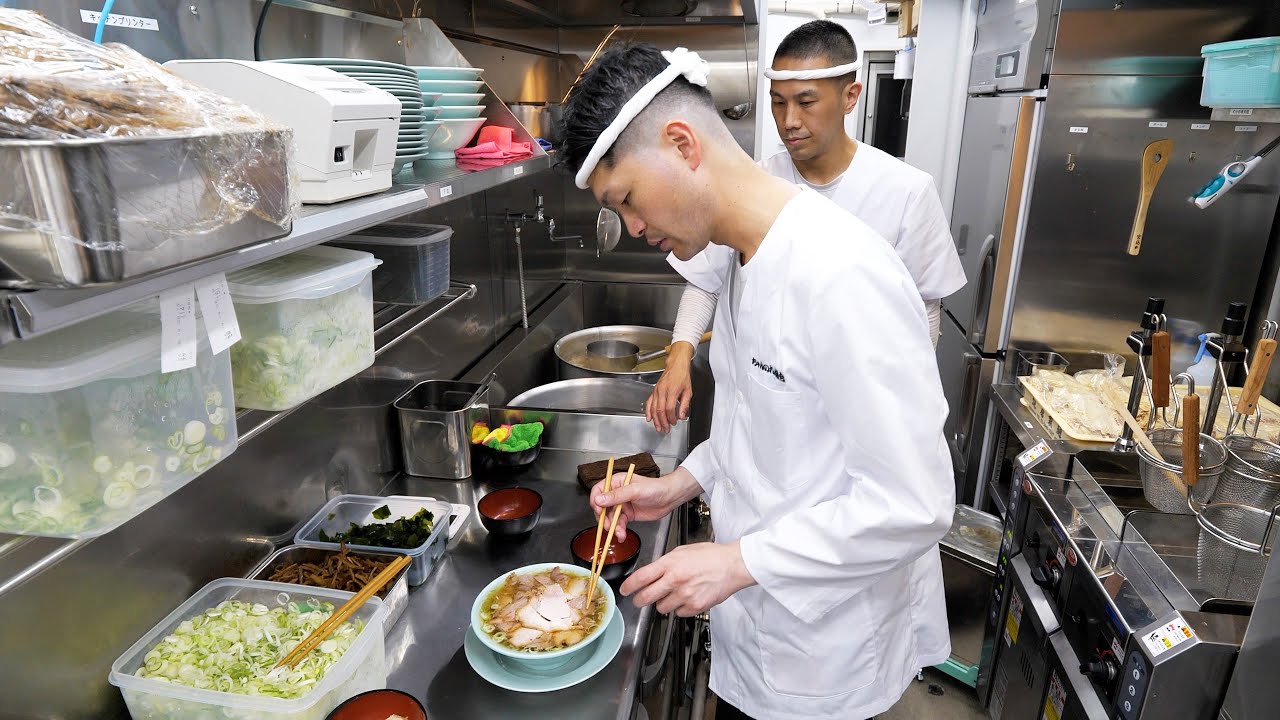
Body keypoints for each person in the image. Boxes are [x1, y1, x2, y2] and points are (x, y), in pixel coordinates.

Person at [559, 43, 953, 720]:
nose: (631, 226)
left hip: (824, 655)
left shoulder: (841, 273)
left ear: (681, 144)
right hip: (758, 631)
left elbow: (914, 502)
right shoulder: (743, 254)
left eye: (626, 198)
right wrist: (682, 482)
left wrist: (737, 562)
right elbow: (765, 425)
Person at [646, 20, 965, 433]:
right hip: (761, 411)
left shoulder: (905, 192)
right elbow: (705, 281)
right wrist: (679, 356)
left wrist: (901, 402)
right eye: (778, 103)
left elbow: (924, 310)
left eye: (806, 102)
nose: (789, 120)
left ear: (851, 97)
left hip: (851, 413)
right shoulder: (754, 182)